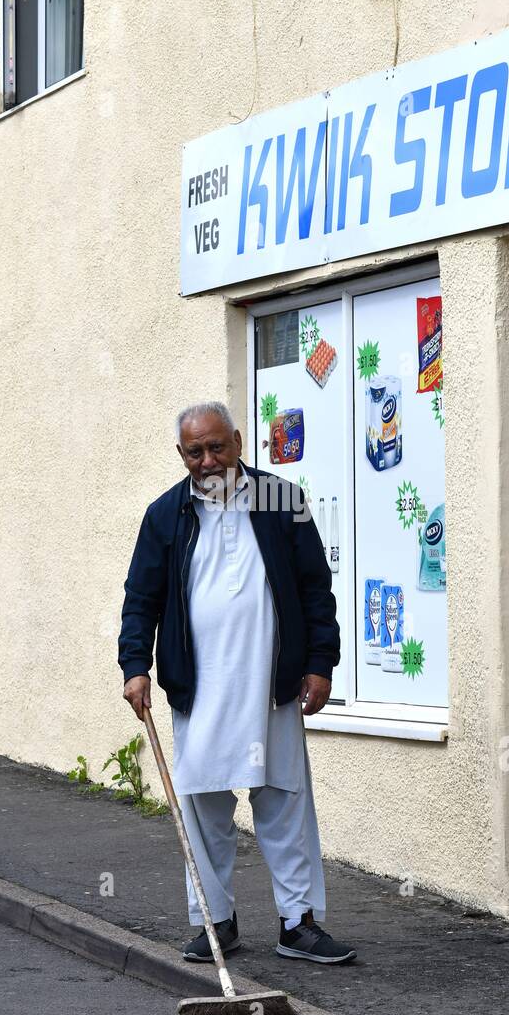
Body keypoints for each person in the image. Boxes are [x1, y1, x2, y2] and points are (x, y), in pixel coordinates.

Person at [118, 402, 357, 964]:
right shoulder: (164, 515)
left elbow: (315, 590)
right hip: (198, 689)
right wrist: (135, 668)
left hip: (271, 685)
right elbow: (141, 599)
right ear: (182, 456)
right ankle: (215, 921)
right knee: (203, 810)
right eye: (195, 451)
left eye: (218, 446)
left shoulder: (282, 502)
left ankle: (298, 924)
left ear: (240, 441)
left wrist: (320, 663)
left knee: (284, 804)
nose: (208, 460)